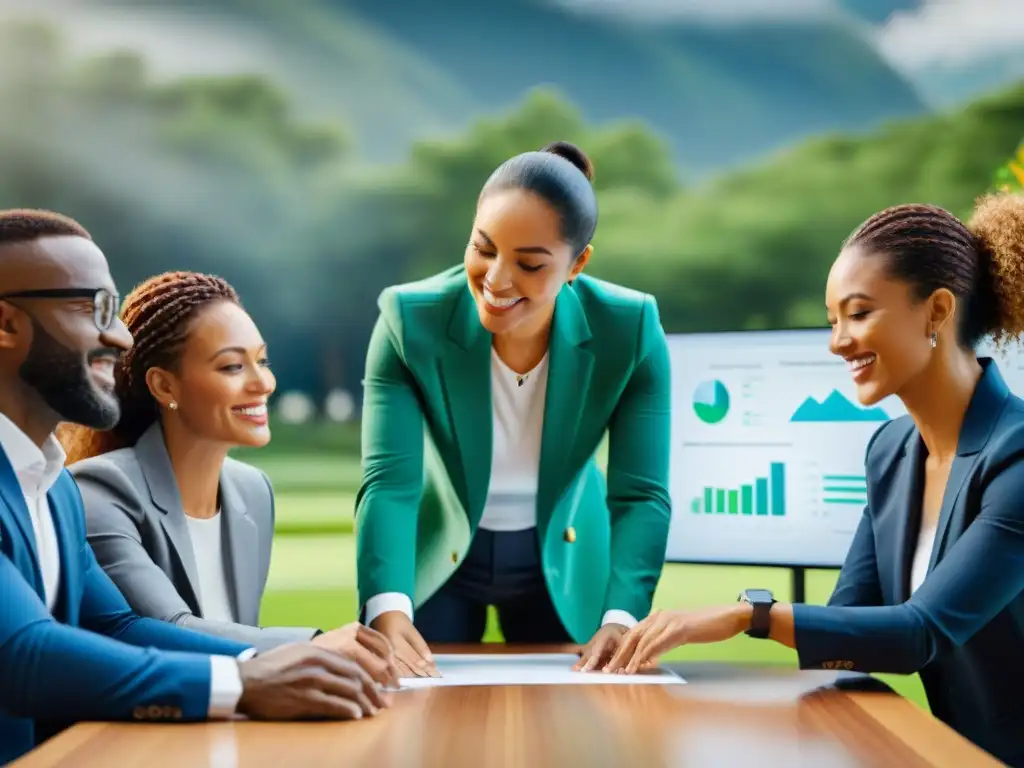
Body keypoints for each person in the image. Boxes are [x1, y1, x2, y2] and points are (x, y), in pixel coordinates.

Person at [603, 193, 1024, 766]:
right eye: (833, 320)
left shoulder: (1016, 455)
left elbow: (920, 633)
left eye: (859, 313)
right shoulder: (892, 452)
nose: (838, 341)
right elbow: (849, 629)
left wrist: (743, 614)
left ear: (938, 310)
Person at [0, 210, 389, 765]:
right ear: (7, 324)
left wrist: (269, 660)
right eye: (95, 310)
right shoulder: (80, 488)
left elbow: (121, 625)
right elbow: (22, 654)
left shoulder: (54, 489)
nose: (121, 335)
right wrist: (240, 681)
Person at [356, 141, 672, 677]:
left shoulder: (632, 328)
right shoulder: (408, 321)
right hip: (438, 557)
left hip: (568, 558)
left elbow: (640, 494)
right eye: (484, 248)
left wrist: (622, 615)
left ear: (578, 264)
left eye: (529, 264)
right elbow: (390, 481)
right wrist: (387, 606)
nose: (497, 280)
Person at [57, 271, 396, 679]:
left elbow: (240, 639)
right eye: (233, 366)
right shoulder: (100, 491)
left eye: (262, 360)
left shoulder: (253, 491)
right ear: (164, 386)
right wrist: (313, 644)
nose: (264, 382)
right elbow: (164, 631)